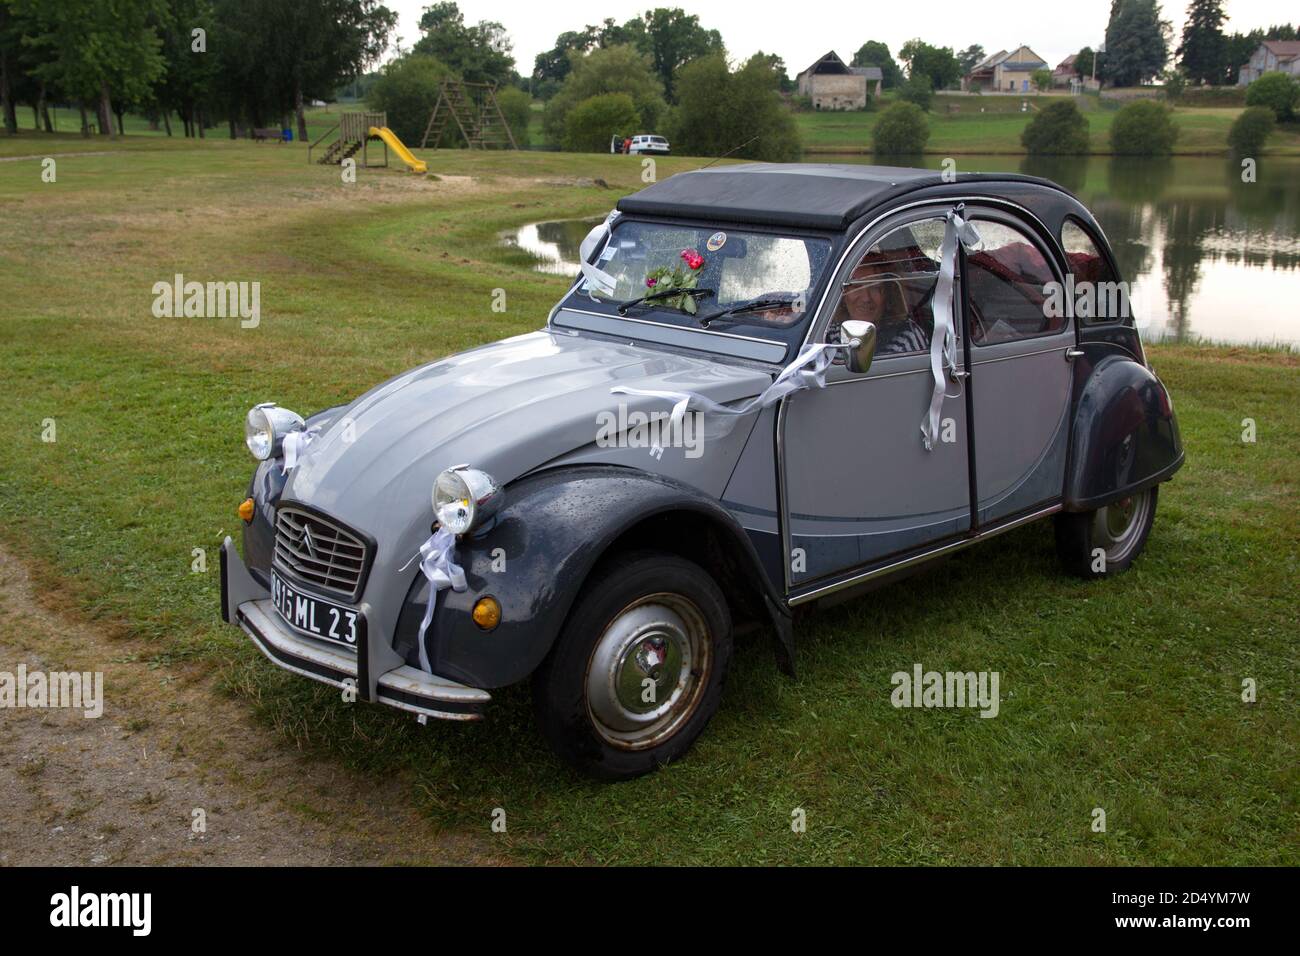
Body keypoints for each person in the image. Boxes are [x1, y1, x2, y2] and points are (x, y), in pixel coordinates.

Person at [826, 255, 929, 355]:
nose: (866, 298)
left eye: (875, 288)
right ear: (843, 294)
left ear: (888, 294)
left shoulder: (907, 337)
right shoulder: (828, 333)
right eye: (856, 286)